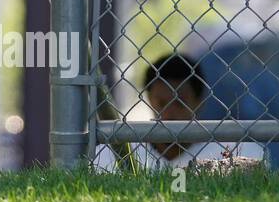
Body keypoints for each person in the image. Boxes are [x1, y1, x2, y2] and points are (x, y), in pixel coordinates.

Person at [93, 53, 265, 171]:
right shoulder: (117, 152)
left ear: (199, 102)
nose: (169, 113)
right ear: (149, 100)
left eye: (179, 102)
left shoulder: (231, 152)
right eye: (161, 103)